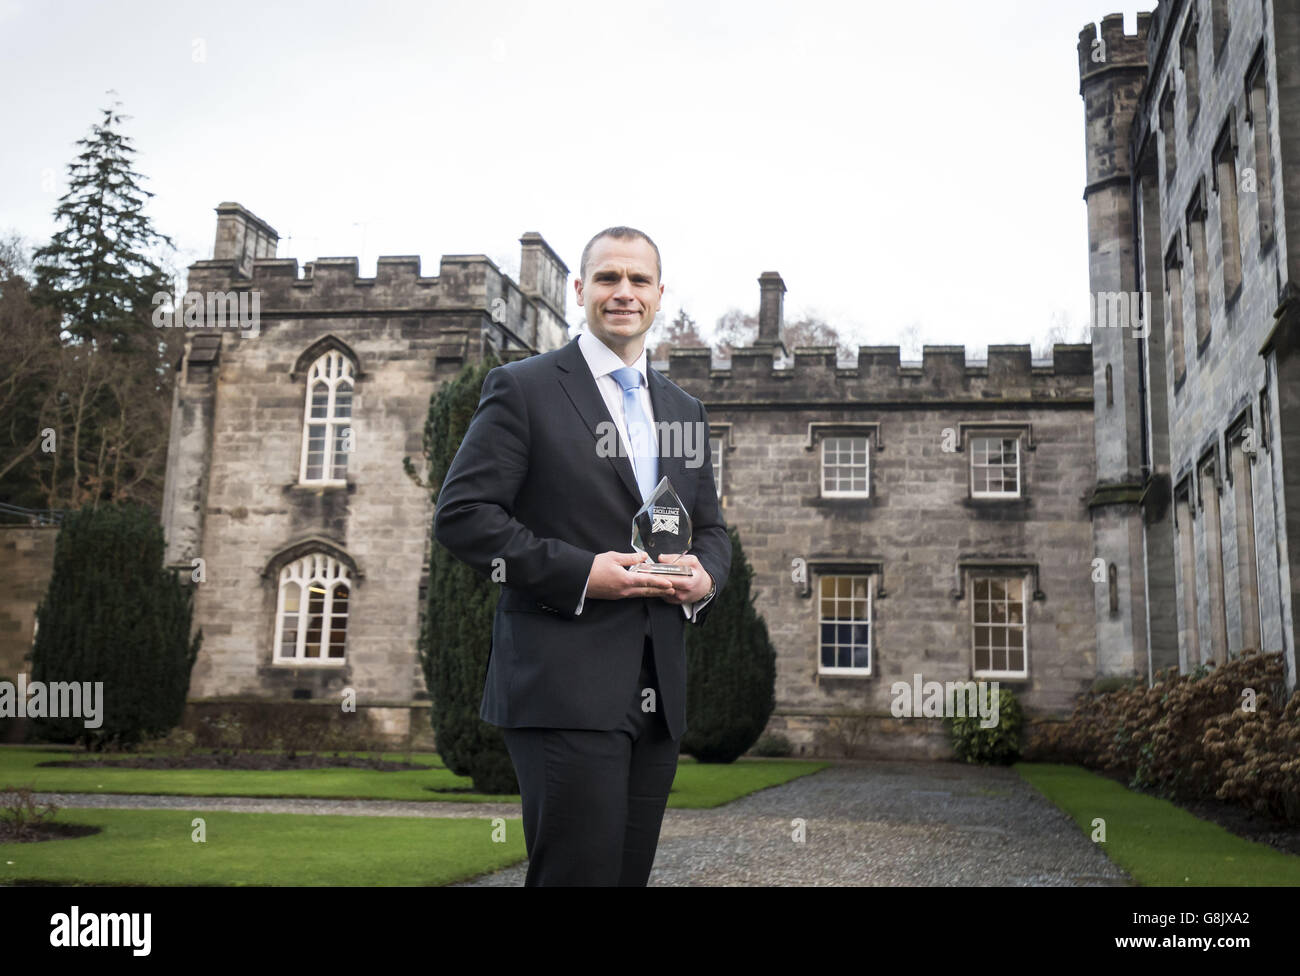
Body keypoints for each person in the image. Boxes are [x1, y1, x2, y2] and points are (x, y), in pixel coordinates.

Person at [433, 226, 731, 886]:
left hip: (657, 687)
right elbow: (463, 518)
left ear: (659, 296)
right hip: (563, 684)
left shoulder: (684, 410)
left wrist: (705, 575)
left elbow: (711, 528)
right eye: (607, 278)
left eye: (638, 280)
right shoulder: (525, 387)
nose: (623, 292)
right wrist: (582, 574)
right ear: (579, 290)